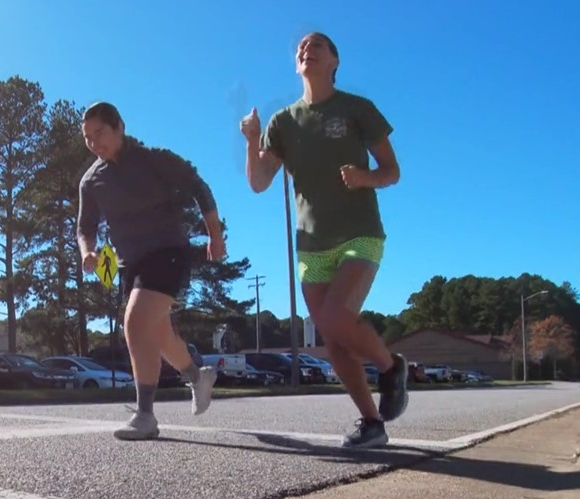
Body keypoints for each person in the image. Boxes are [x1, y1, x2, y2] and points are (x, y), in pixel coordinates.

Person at [239, 32, 409, 449]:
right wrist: (251, 140)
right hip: (311, 245)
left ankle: (391, 368)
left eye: (316, 45)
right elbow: (259, 182)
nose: (306, 49)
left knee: (334, 317)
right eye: (301, 47)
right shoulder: (283, 121)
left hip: (359, 233)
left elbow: (391, 170)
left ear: (334, 61)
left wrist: (364, 177)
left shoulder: (356, 108)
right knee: (333, 339)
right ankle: (372, 423)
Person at [77, 101, 223, 441]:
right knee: (158, 336)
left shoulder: (154, 159)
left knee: (135, 323)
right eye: (87, 138)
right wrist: (88, 251)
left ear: (119, 127)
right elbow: (85, 227)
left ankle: (145, 415)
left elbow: (199, 186)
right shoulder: (91, 180)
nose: (94, 143)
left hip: (168, 251)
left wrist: (215, 235)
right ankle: (198, 376)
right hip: (130, 263)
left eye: (100, 133)